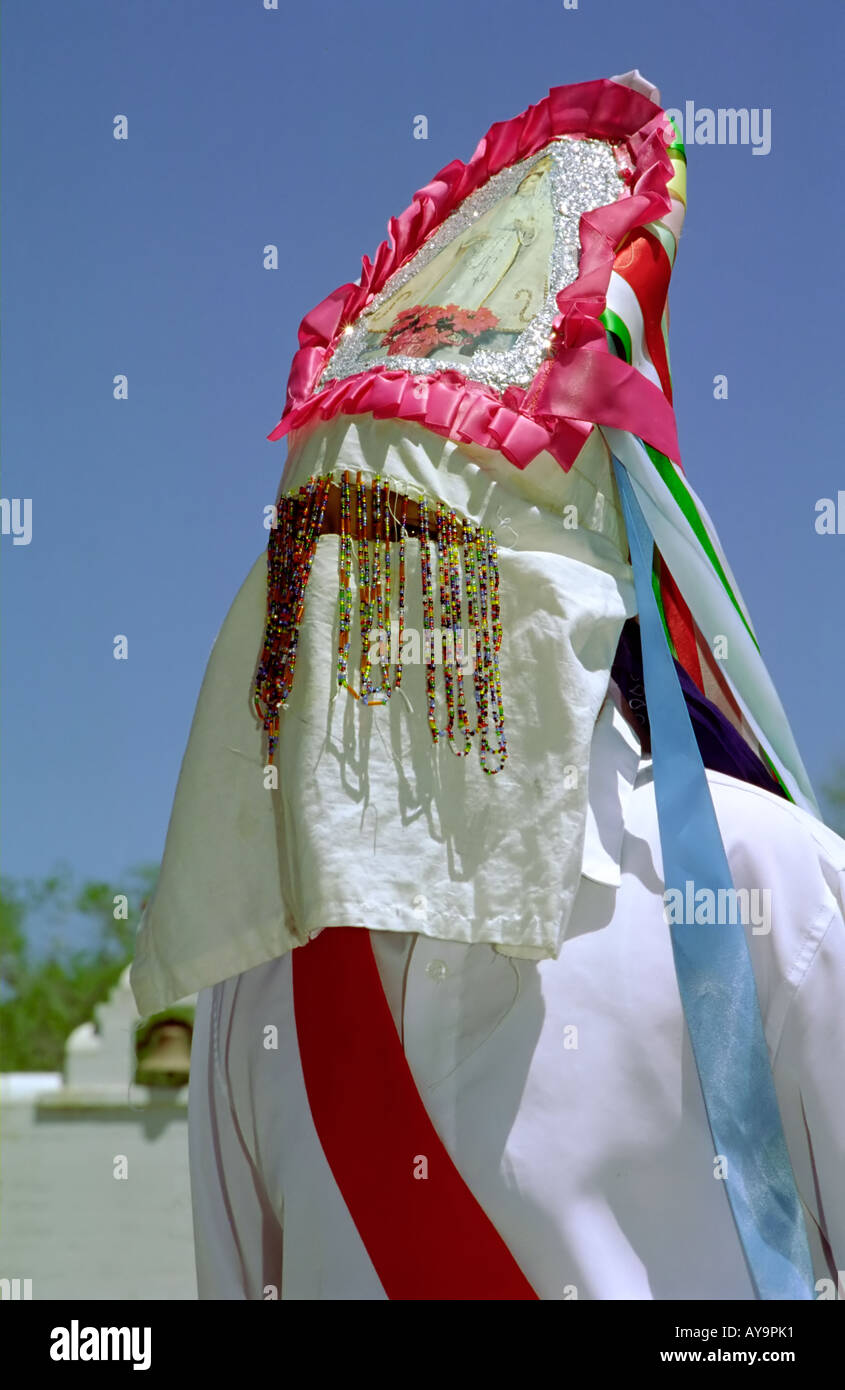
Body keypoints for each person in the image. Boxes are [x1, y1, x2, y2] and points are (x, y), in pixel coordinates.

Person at [131, 71, 845, 1300]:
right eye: (327, 559)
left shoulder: (767, 895)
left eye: (424, 562)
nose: (365, 613)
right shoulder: (264, 975)